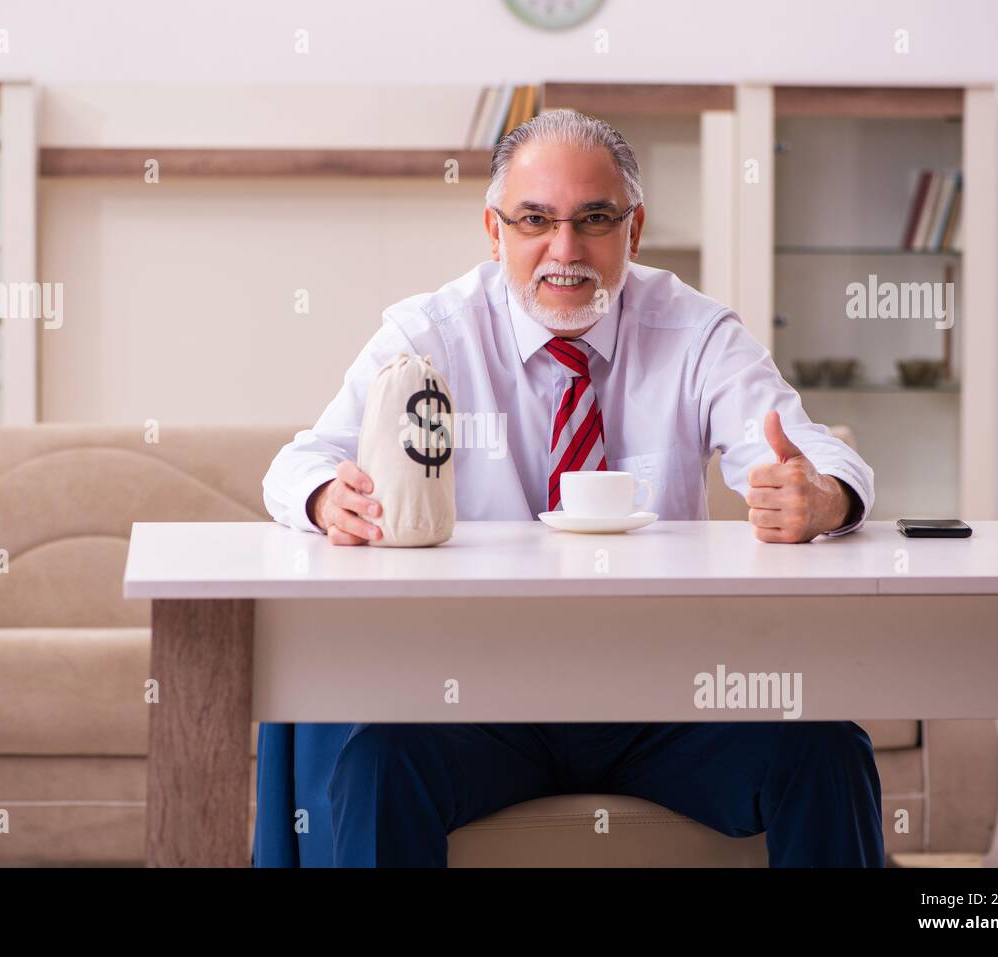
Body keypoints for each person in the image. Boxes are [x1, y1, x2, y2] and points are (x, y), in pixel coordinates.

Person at [257, 108, 883, 867]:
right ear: (494, 232)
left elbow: (814, 454)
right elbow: (300, 462)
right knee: (378, 760)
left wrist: (823, 496)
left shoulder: (695, 333)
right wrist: (329, 496)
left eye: (594, 219)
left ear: (634, 230)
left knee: (826, 748)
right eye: (535, 220)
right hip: (480, 697)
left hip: (664, 696)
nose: (565, 250)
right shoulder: (432, 334)